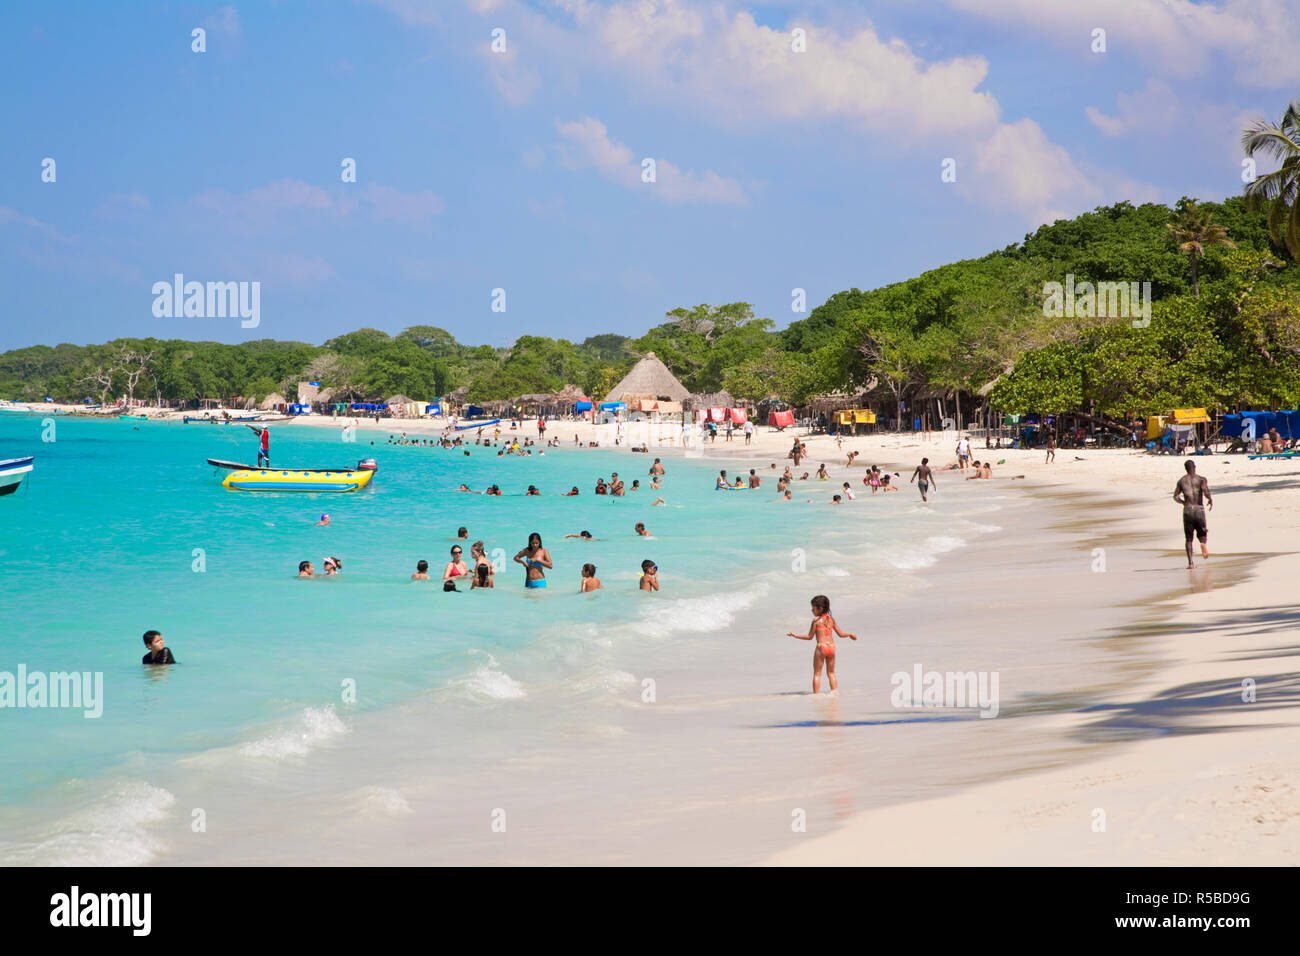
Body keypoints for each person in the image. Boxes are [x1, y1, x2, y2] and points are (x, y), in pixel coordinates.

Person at [785, 595, 856, 694]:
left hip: (821, 647)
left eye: (813, 608)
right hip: (831, 647)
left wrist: (795, 636)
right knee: (831, 673)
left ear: (820, 608)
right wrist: (850, 635)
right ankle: (835, 693)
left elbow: (809, 637)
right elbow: (841, 634)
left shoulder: (815, 621)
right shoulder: (831, 620)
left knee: (817, 674)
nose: (811, 610)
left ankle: (816, 696)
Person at [1174, 460, 1213, 568]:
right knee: (1202, 533)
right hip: (1199, 509)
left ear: (1185, 468)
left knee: (1188, 538)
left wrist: (1183, 503)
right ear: (1194, 467)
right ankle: (1203, 543)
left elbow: (1175, 497)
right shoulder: (1201, 479)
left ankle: (1191, 563)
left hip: (1188, 510)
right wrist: (1210, 499)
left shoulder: (1181, 481)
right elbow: (1205, 491)